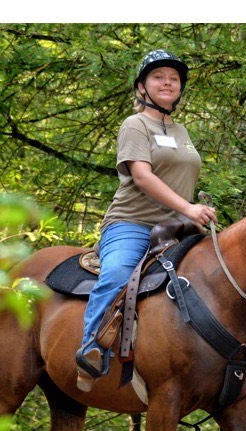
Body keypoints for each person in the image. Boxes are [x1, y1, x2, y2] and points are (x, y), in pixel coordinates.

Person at [75, 50, 217, 385]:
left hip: (178, 228)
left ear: (180, 89)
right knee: (117, 274)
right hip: (133, 224)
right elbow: (142, 176)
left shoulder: (181, 131)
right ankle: (92, 349)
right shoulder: (135, 124)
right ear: (142, 87)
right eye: (158, 77)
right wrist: (188, 207)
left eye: (174, 78)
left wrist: (194, 212)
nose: (167, 82)